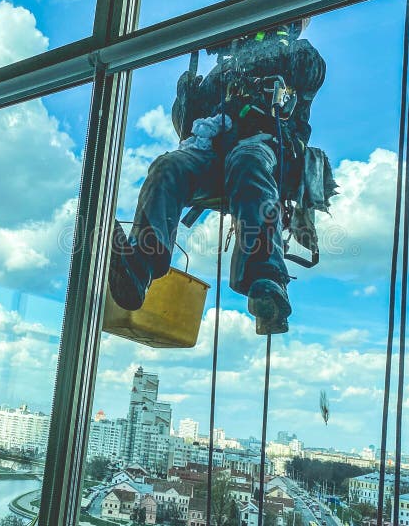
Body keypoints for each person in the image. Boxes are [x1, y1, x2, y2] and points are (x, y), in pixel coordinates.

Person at [110, 21, 328, 335]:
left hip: (265, 142)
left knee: (248, 162)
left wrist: (279, 34)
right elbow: (190, 123)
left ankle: (266, 278)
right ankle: (139, 265)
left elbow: (311, 74)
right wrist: (186, 96)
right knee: (168, 166)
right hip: (215, 148)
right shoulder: (223, 73)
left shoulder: (298, 56)